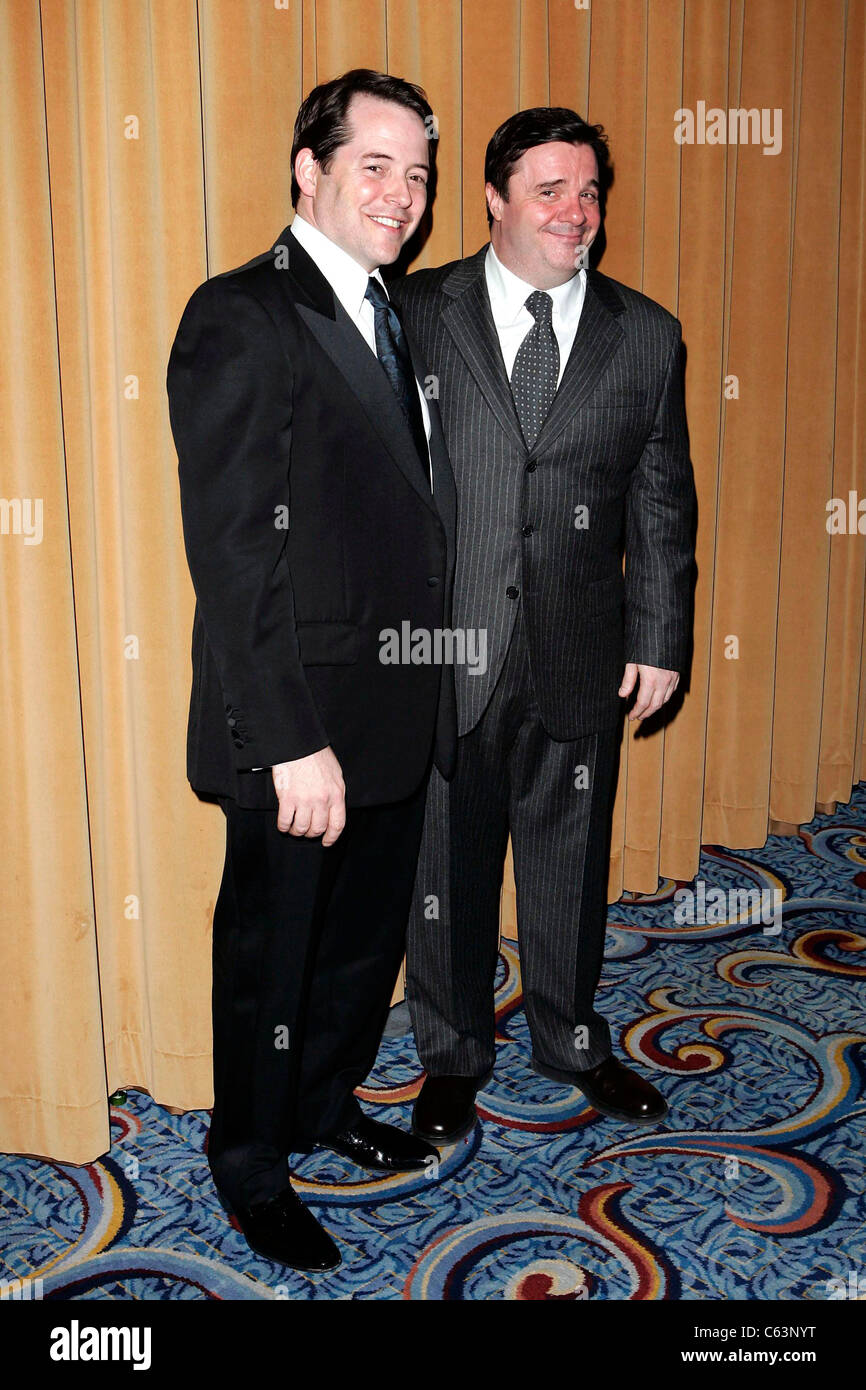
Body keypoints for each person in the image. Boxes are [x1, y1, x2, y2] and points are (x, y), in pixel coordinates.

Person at [166, 68, 457, 1272]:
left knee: (357, 946)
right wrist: (287, 736)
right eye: (375, 165)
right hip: (297, 724)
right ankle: (249, 1160)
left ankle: (325, 1104)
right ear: (310, 169)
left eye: (418, 173)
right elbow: (233, 554)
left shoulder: (398, 315)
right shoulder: (243, 314)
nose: (400, 194)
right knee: (272, 952)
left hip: (392, 703)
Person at [392, 107, 696, 1145]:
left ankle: (571, 1040)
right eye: (549, 191)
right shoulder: (415, 311)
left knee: (567, 860)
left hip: (580, 650)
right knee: (444, 865)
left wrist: (658, 636)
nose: (575, 214)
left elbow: (660, 501)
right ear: (491, 198)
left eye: (588, 193)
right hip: (443, 654)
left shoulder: (645, 336)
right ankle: (450, 1053)